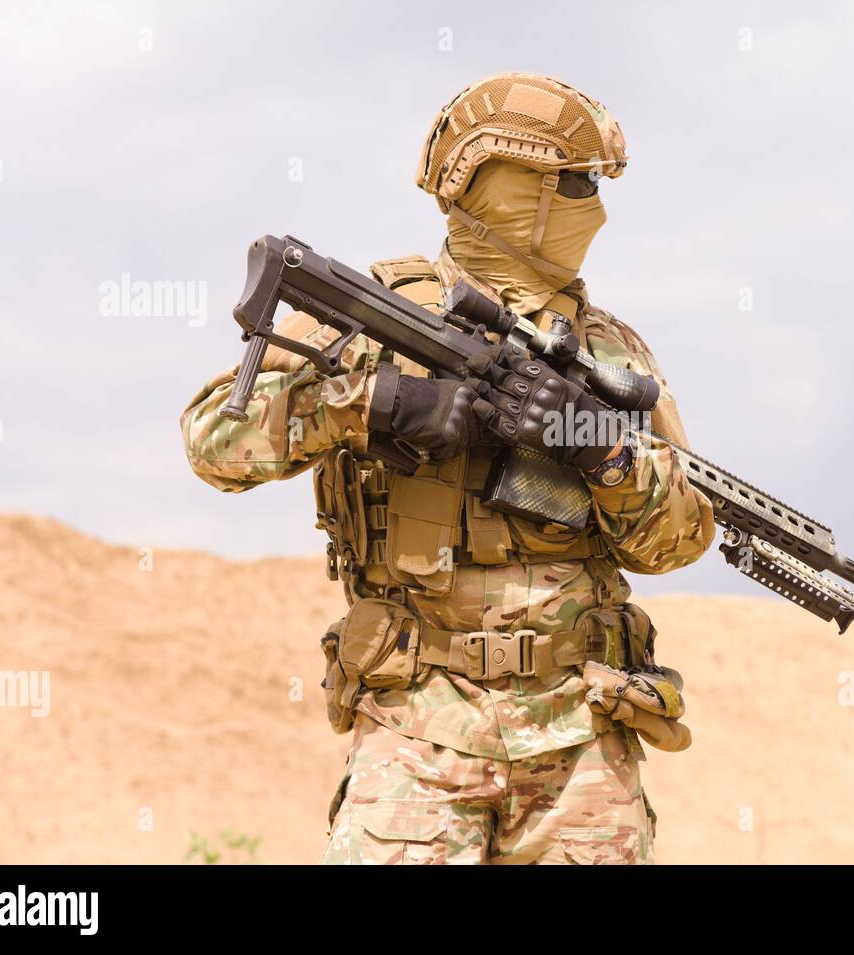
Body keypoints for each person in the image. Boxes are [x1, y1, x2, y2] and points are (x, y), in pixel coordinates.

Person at [180, 73, 713, 864]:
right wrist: (370, 400)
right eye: (573, 183)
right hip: (414, 734)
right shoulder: (378, 317)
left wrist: (601, 450)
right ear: (508, 186)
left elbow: (679, 539)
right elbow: (213, 444)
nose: (591, 207)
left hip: (582, 740)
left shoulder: (612, 355)